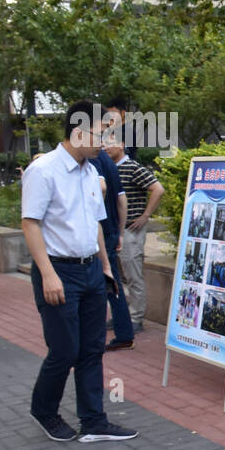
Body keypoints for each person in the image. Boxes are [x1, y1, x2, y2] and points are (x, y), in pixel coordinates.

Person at [21, 102, 137, 443]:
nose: (106, 140)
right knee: (65, 350)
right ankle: (44, 410)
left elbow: (95, 223)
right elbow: (30, 224)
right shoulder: (44, 171)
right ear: (79, 132)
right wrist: (48, 274)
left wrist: (105, 266)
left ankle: (94, 420)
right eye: (102, 133)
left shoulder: (90, 171)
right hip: (58, 271)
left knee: (91, 349)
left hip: (91, 272)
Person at [104, 101, 164, 335]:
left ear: (121, 144)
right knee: (119, 276)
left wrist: (145, 216)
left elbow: (158, 188)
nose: (105, 147)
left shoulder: (133, 167)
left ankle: (137, 317)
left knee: (133, 275)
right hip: (115, 231)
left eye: (110, 142)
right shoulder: (109, 169)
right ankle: (123, 314)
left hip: (130, 230)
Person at [93, 113, 135, 351]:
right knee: (112, 282)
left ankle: (100, 335)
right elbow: (122, 199)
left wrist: (94, 221)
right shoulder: (108, 161)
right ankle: (124, 333)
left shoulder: (95, 161)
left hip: (99, 233)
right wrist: (119, 231)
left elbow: (102, 188)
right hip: (110, 231)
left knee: (101, 284)